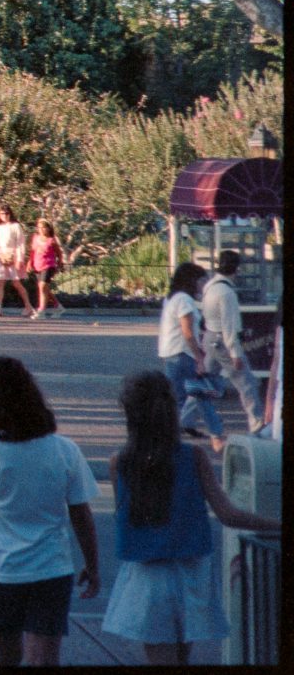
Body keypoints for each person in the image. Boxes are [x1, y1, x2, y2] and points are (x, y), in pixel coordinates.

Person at [101, 370, 278, 664]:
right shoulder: (193, 457)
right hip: (191, 572)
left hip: (147, 575)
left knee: (160, 656)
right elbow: (228, 514)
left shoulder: (119, 463)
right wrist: (278, 525)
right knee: (183, 656)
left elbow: (129, 515)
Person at [0, 356, 100, 667]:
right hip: (51, 567)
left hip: (0, 569)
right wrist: (92, 563)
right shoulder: (64, 449)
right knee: (45, 658)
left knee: (3, 656)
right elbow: (81, 513)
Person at [157, 262, 224, 449]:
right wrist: (199, 358)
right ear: (192, 280)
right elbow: (188, 332)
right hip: (182, 354)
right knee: (197, 394)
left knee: (187, 395)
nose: (203, 285)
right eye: (202, 280)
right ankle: (215, 436)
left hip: (171, 353)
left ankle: (172, 436)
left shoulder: (172, 298)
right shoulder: (184, 301)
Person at [199, 250, 266, 436]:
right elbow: (230, 326)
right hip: (223, 341)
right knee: (247, 384)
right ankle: (256, 423)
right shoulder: (227, 293)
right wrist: (235, 353)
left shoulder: (210, 285)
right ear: (236, 268)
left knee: (203, 382)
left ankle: (184, 418)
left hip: (209, 337)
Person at [0, 196, 37, 316]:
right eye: (2, 213)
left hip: (13, 255)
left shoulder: (16, 226)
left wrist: (19, 259)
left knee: (16, 282)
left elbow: (21, 243)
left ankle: (28, 306)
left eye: (6, 213)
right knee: (0, 282)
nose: (4, 215)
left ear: (10, 214)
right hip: (0, 256)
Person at [29, 219, 64, 318]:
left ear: (48, 228)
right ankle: (58, 306)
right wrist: (30, 262)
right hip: (37, 265)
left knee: (42, 286)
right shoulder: (35, 238)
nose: (41, 229)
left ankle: (41, 311)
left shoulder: (51, 240)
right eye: (39, 227)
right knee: (45, 289)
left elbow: (59, 253)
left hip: (48, 265)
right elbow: (33, 251)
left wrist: (60, 263)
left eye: (43, 227)